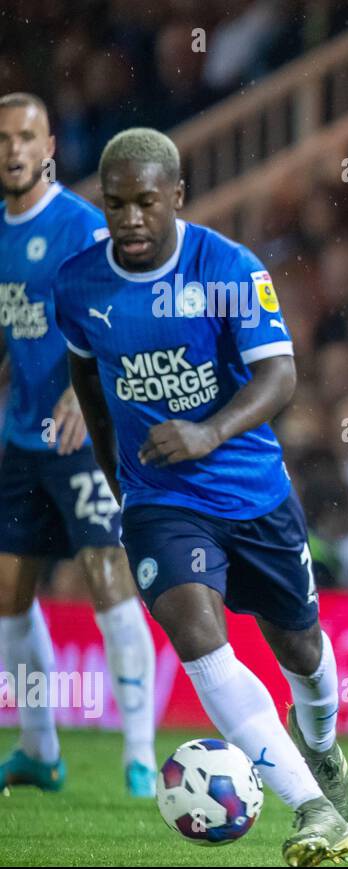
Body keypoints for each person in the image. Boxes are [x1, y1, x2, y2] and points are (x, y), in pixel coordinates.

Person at [54, 127, 348, 865]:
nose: (129, 218)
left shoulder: (228, 268)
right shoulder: (78, 284)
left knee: (301, 647)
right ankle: (315, 810)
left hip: (254, 495)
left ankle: (322, 750)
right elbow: (90, 385)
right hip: (160, 502)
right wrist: (120, 476)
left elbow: (279, 376)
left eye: (146, 202)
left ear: (178, 197)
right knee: (196, 630)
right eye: (115, 203)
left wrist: (207, 432)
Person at [0, 92, 157, 797]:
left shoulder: (79, 227)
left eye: (25, 137)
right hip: (21, 440)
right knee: (8, 592)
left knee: (106, 576)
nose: (13, 150)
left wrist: (78, 390)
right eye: (3, 139)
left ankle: (141, 754)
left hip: (80, 437)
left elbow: (117, 312)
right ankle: (40, 748)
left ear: (50, 145)